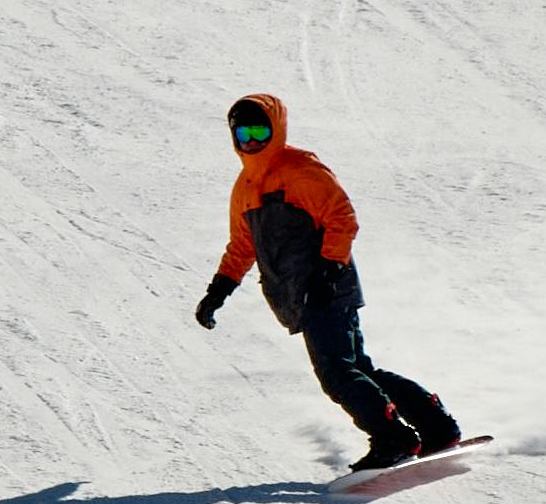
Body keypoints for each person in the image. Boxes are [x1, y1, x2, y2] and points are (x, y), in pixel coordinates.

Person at [195, 92, 463, 471]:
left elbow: (342, 217)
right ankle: (435, 426)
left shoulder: (299, 170)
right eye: (244, 133)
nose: (252, 141)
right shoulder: (245, 188)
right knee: (358, 370)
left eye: (260, 131)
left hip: (326, 290)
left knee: (337, 374)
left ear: (277, 130)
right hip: (301, 297)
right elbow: (242, 245)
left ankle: (394, 439)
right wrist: (217, 292)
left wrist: (329, 270)